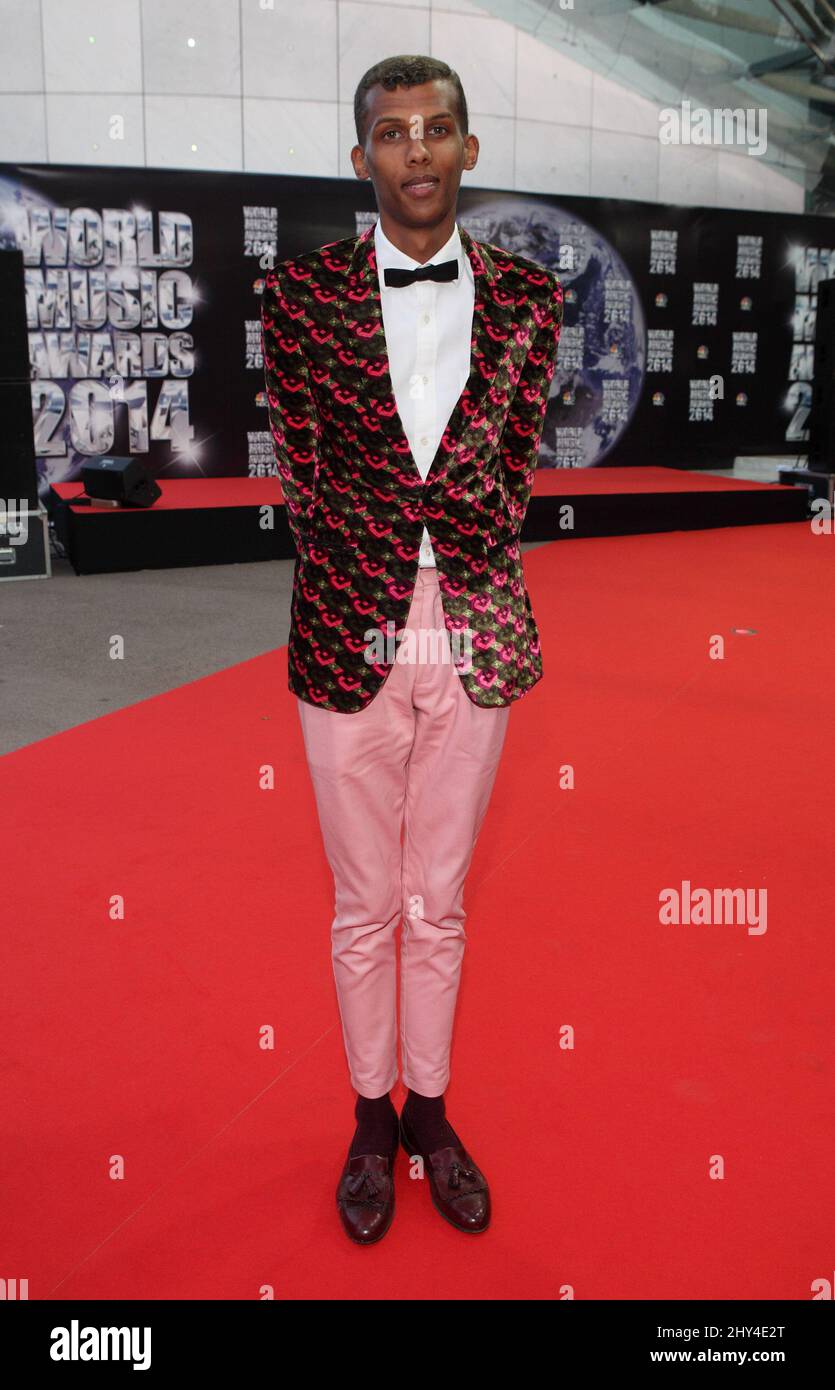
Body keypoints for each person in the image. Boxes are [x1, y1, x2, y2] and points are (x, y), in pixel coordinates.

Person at [261, 54, 563, 1244]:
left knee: (437, 900)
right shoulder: (298, 295)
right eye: (393, 133)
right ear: (361, 160)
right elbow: (303, 460)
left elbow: (518, 456)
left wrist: (454, 555)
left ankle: (431, 1111)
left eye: (439, 129)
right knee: (363, 898)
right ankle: (367, 1124)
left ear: (469, 151)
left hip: (478, 621)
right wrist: (373, 564)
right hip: (347, 617)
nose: (419, 151)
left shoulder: (533, 298)